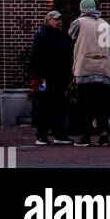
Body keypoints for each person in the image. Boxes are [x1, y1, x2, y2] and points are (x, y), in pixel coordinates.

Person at [68, 0, 110, 147]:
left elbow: (72, 37)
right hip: (103, 70)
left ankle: (86, 136)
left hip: (85, 68)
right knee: (102, 104)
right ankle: (103, 135)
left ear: (82, 9)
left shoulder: (79, 23)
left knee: (85, 104)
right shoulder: (104, 24)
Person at [28, 9, 73, 145]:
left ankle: (60, 135)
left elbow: (69, 54)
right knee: (44, 106)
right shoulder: (41, 36)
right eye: (56, 19)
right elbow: (35, 56)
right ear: (49, 20)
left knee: (59, 106)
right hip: (45, 78)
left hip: (60, 78)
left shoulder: (63, 36)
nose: (59, 22)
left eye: (60, 19)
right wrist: (38, 76)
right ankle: (41, 135)